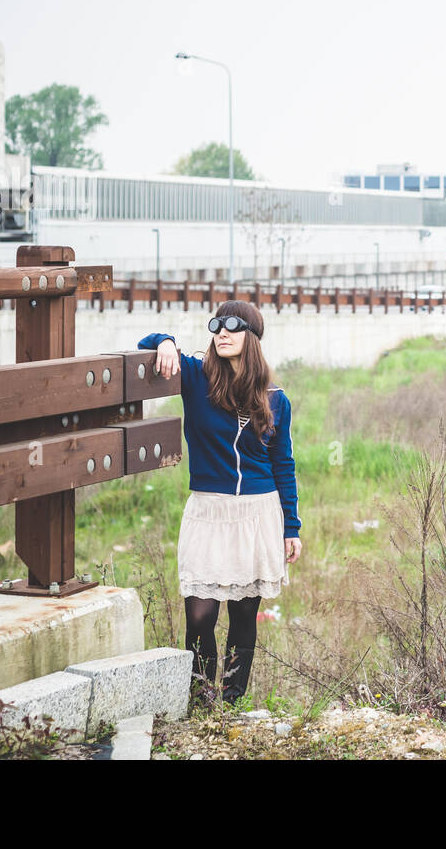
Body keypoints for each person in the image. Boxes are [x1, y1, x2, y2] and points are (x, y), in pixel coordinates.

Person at [137, 300, 302, 706]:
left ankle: (230, 700)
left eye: (233, 325)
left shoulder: (276, 399)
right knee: (200, 613)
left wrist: (291, 527)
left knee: (244, 615)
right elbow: (145, 341)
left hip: (258, 514)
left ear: (252, 338)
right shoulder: (195, 377)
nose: (222, 332)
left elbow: (283, 464)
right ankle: (199, 698)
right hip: (208, 511)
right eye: (217, 325)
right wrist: (167, 342)